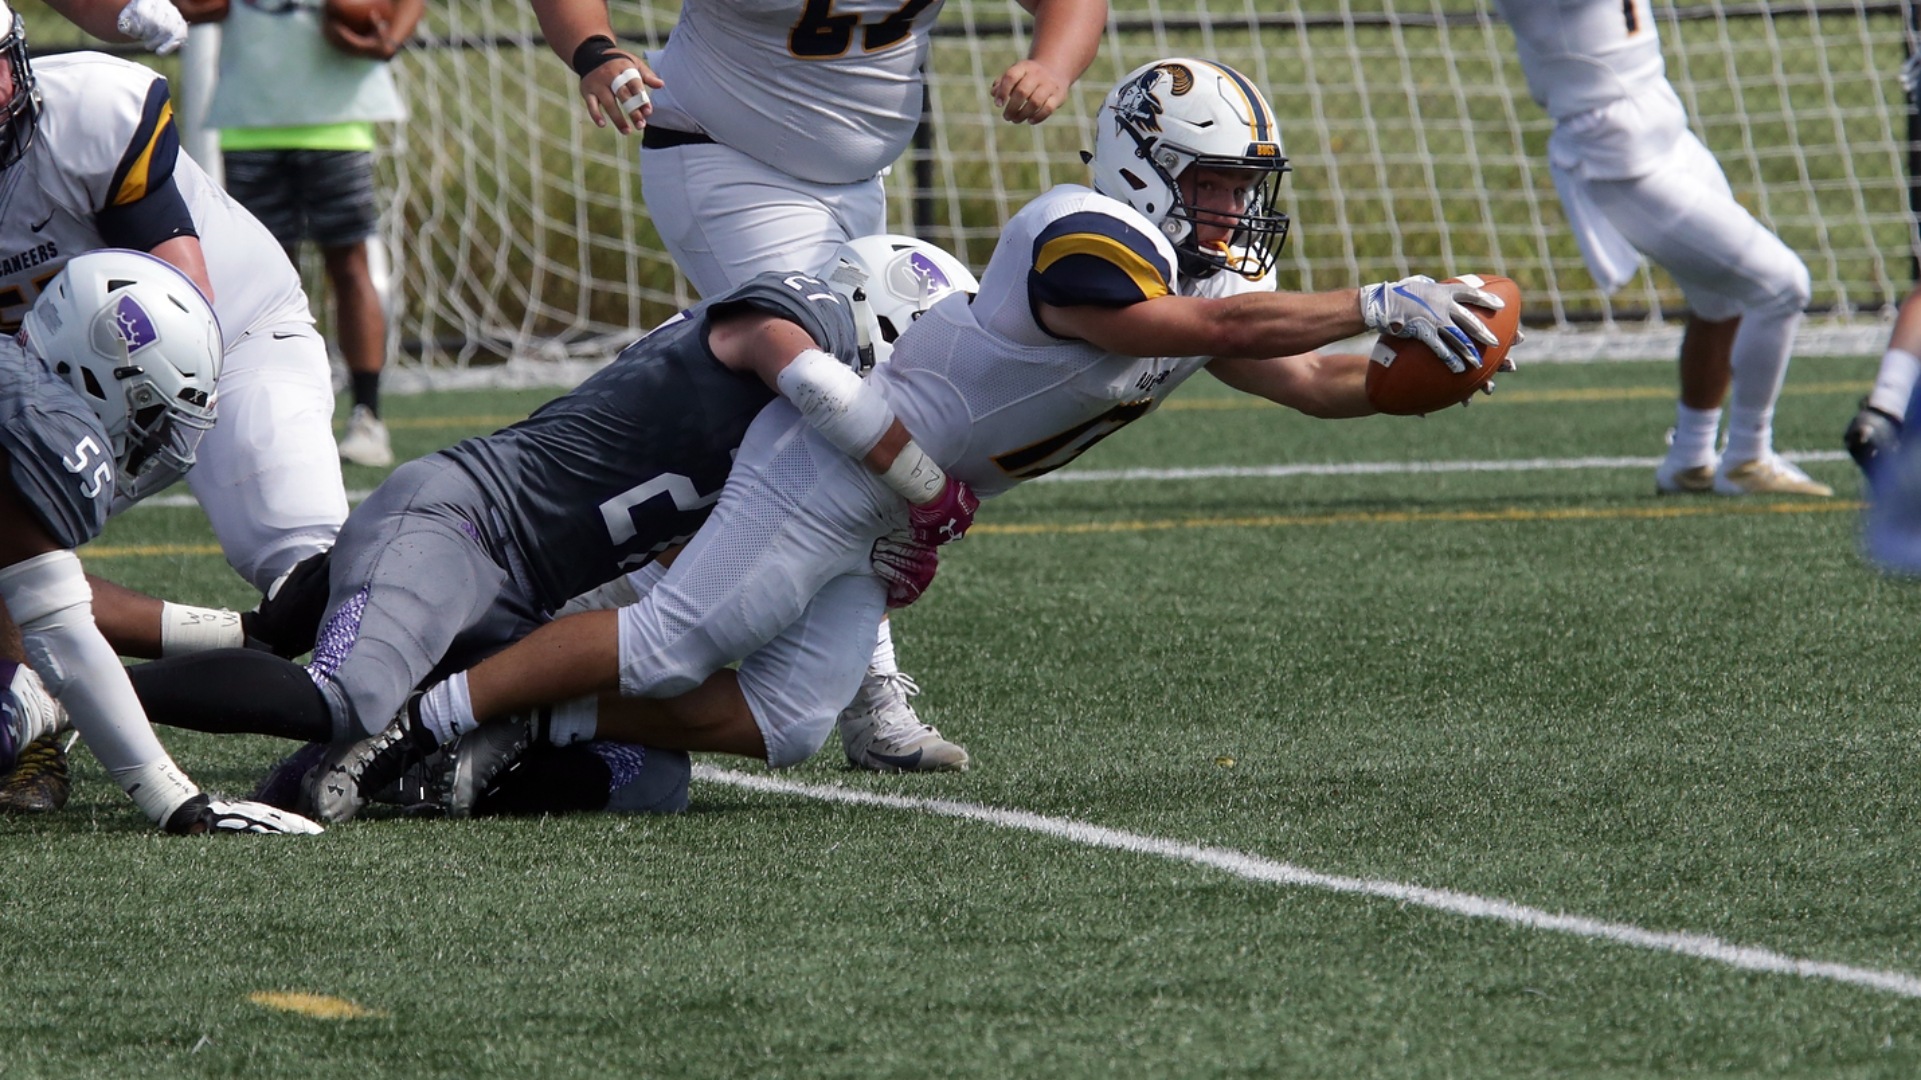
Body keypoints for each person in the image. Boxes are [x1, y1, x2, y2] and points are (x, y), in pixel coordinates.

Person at [307, 57, 1512, 821]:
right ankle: (411, 724)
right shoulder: (1080, 228)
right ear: (1144, 170)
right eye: (1208, 186)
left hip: (901, 508)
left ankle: (535, 713)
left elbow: (1308, 381)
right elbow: (1183, 318)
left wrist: (1428, 373)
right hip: (844, 458)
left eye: (1237, 189)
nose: (1230, 212)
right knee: (678, 640)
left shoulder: (1193, 287)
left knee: (782, 722)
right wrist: (1372, 296)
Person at [128, 252, 978, 820]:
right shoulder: (810, 318)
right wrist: (913, 476)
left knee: (648, 778)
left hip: (528, 598)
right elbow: (769, 344)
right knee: (347, 689)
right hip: (463, 524)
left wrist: (875, 555)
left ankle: (411, 771)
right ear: (884, 317)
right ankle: (94, 696)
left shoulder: (810, 443)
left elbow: (706, 577)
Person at [531, 0, 1107, 771]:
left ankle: (568, 599)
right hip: (723, 158)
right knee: (844, 404)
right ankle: (868, 700)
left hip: (852, 181)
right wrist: (596, 53)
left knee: (795, 419)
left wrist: (1052, 66)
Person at [0, 12, 350, 809]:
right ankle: (45, 719)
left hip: (226, 340)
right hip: (52, 385)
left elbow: (177, 312)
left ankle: (468, 712)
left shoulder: (89, 117)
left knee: (321, 585)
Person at [0, 250, 321, 835]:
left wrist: (246, 632)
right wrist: (177, 802)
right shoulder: (34, 423)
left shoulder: (18, 389)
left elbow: (39, 586)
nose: (157, 445)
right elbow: (60, 635)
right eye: (152, 418)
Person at [1490, 0, 1826, 498]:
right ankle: (1749, 457)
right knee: (1782, 286)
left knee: (1723, 300)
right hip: (1617, 147)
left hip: (1662, 119)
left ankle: (1690, 459)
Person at [203, 0, 425, 468]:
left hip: (338, 119)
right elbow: (190, 9)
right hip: (251, 116)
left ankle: (368, 416)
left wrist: (388, 34)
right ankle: (266, 418)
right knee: (260, 281)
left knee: (349, 264)